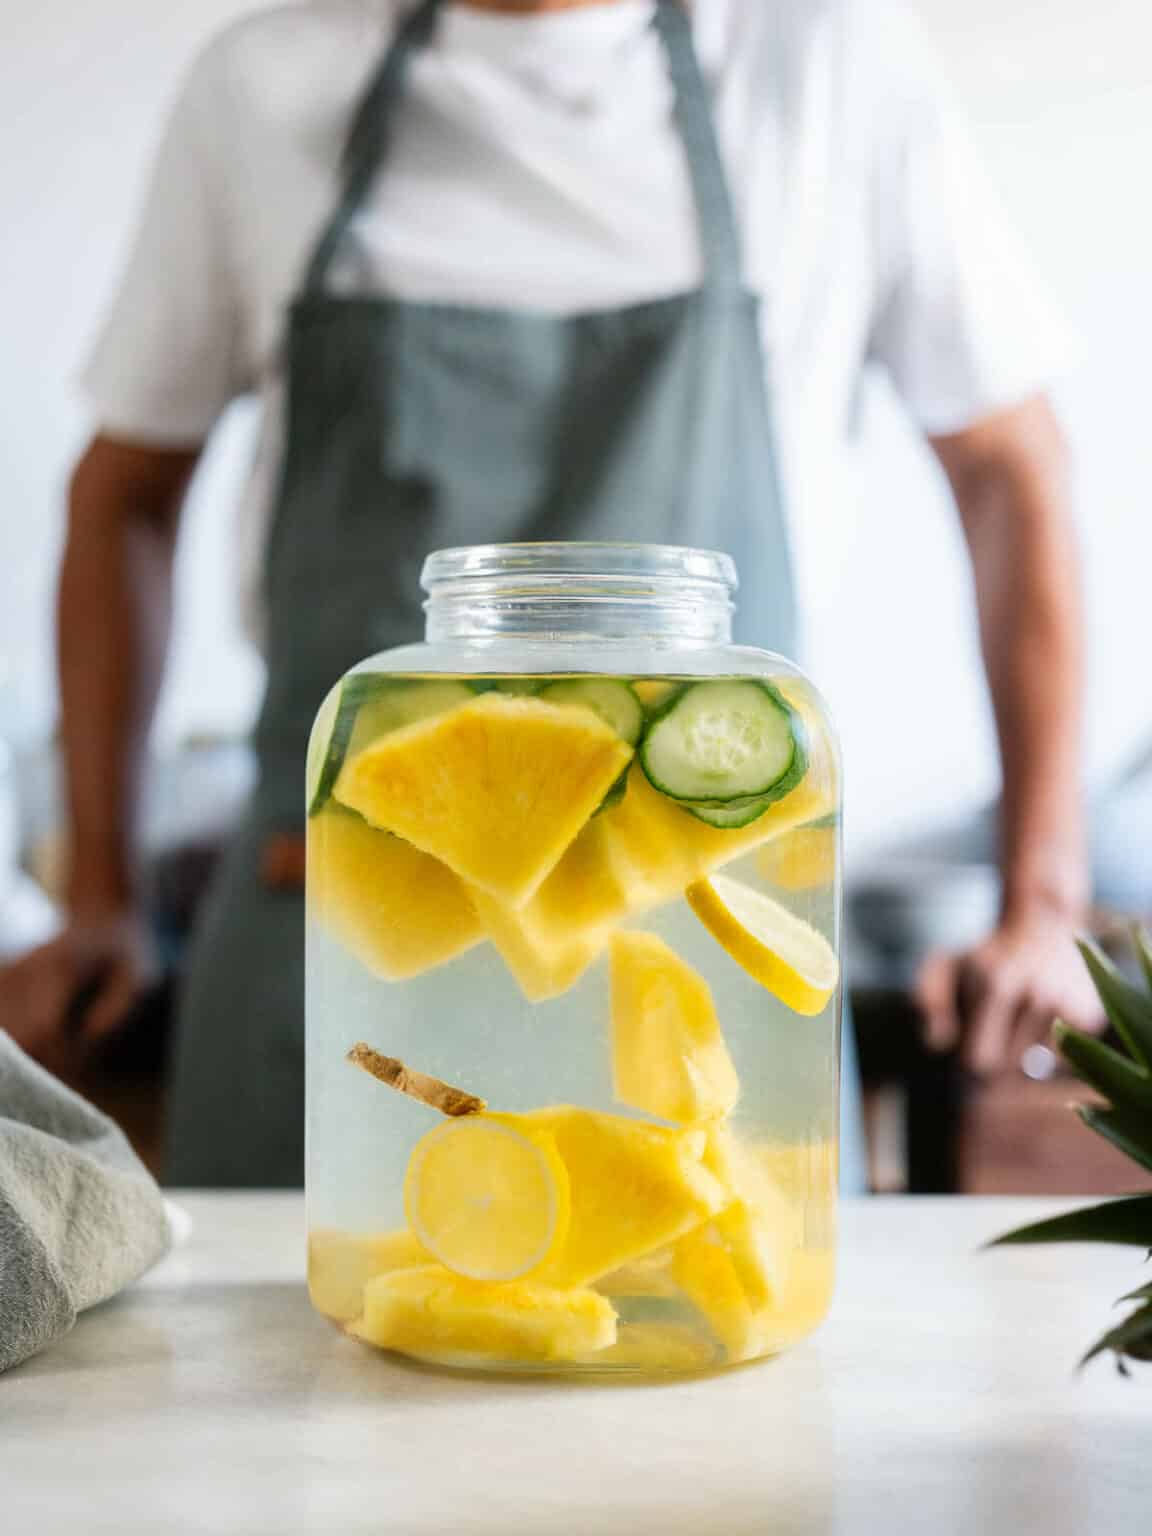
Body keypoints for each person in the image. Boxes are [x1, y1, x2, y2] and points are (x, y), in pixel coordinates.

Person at [0, 0, 1101, 1187]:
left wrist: (1044, 897)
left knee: (721, 1339)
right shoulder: (261, 86)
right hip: (332, 940)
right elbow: (122, 496)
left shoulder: (824, 65)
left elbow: (1010, 472)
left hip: (698, 953)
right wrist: (98, 891)